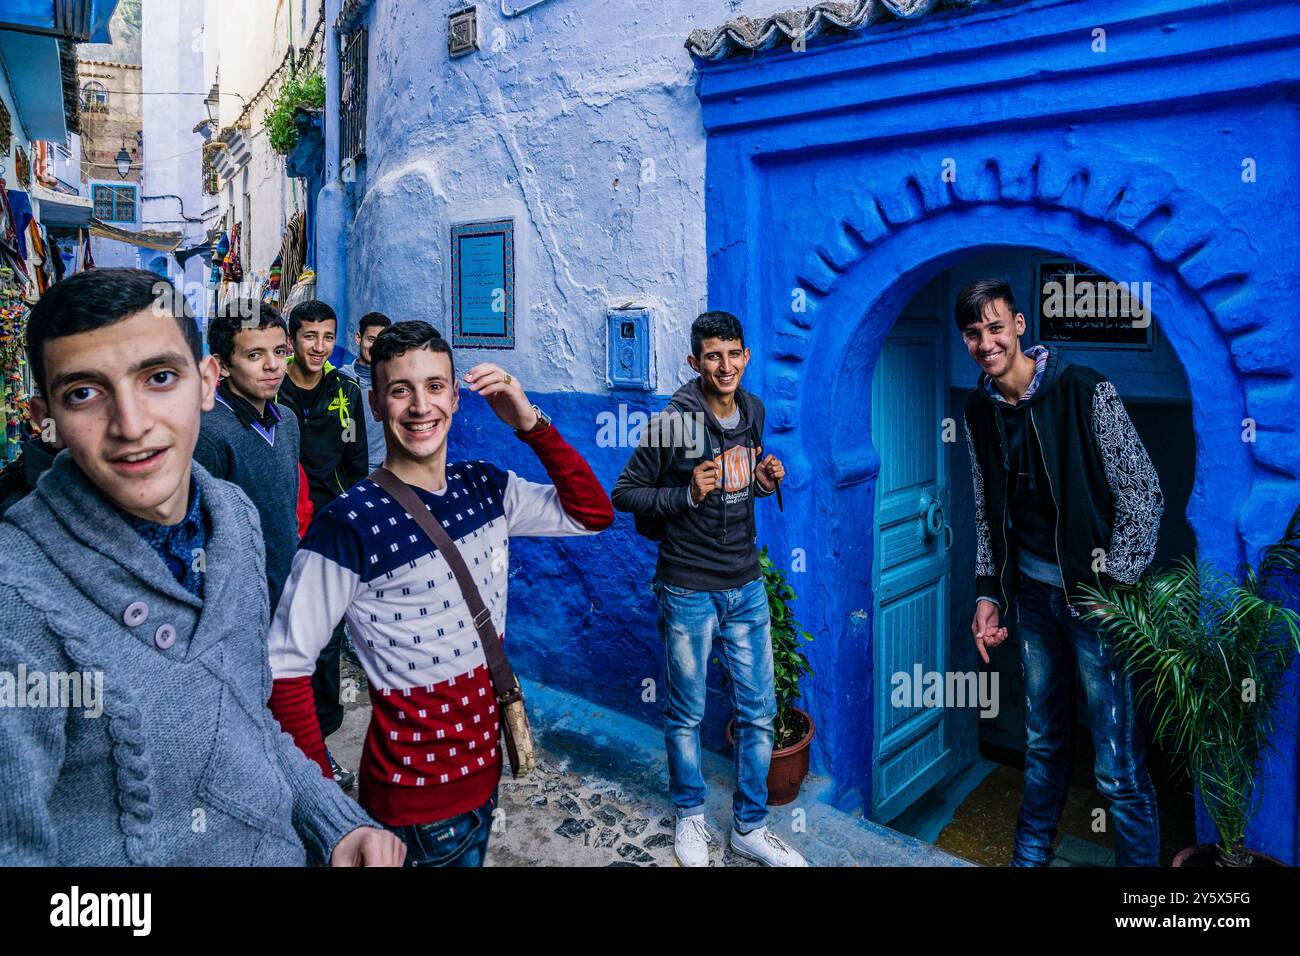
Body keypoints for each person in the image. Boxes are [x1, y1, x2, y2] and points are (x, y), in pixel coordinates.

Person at [0, 267, 403, 866]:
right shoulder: (19, 598)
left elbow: (248, 722)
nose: (131, 425)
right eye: (84, 392)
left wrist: (336, 824)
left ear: (205, 384)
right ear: (44, 419)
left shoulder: (232, 518)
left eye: (160, 378)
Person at [267, 320, 613, 866]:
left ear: (455, 396)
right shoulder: (348, 525)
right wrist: (332, 815)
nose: (420, 405)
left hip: (483, 777)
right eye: (400, 389)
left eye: (434, 387)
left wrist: (531, 423)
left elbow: (592, 513)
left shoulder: (487, 487)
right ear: (376, 404)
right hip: (410, 809)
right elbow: (285, 668)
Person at [957, 277, 1163, 867]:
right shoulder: (979, 409)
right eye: (973, 334)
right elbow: (983, 503)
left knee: (1117, 765)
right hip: (1033, 602)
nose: (986, 342)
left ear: (1020, 326)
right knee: (1043, 741)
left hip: (1099, 606)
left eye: (996, 327)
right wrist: (987, 594)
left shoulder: (1084, 390)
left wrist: (1113, 590)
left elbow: (1143, 493)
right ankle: (1029, 855)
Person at [611, 310, 806, 868]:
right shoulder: (674, 421)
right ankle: (691, 815)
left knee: (759, 711)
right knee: (687, 712)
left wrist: (765, 482)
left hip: (745, 585)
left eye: (733, 354)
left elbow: (743, 492)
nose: (725, 366)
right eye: (712, 356)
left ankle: (750, 825)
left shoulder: (754, 411)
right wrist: (686, 494)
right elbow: (625, 494)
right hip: (689, 587)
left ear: (746, 357)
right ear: (695, 362)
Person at [277, 299, 369, 789]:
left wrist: (355, 519)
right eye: (310, 336)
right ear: (291, 340)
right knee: (281, 627)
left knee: (327, 633)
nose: (319, 347)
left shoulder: (346, 391)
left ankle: (322, 736)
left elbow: (356, 462)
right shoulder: (275, 387)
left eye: (328, 337)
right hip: (281, 522)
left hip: (329, 523)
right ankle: (280, 734)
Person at [194, 300, 300, 614]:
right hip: (236, 603)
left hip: (285, 585)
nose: (273, 365)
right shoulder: (207, 435)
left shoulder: (288, 421)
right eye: (255, 355)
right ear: (222, 366)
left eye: (279, 351)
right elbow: (201, 533)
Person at [340, 311, 392, 472]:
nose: (376, 347)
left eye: (381, 341)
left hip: (389, 468)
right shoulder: (342, 379)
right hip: (353, 468)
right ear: (358, 338)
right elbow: (343, 428)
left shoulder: (394, 381)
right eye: (371, 339)